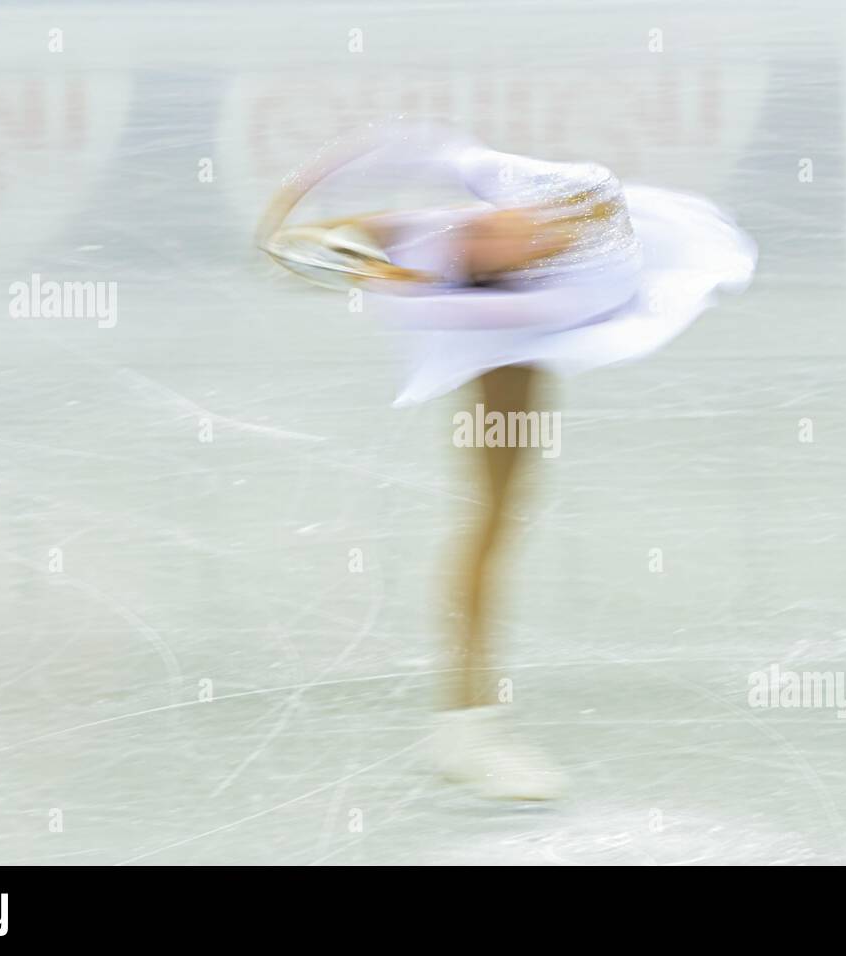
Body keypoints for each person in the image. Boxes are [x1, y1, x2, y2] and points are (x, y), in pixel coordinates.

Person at [257, 120, 757, 800]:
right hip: (473, 311)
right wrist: (311, 212)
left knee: (497, 516)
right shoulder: (450, 242)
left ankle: (464, 734)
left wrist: (349, 234)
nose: (490, 231)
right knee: (488, 525)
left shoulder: (572, 244)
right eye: (486, 239)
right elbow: (383, 171)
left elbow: (420, 176)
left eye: (497, 234)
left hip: (539, 321)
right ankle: (466, 734)